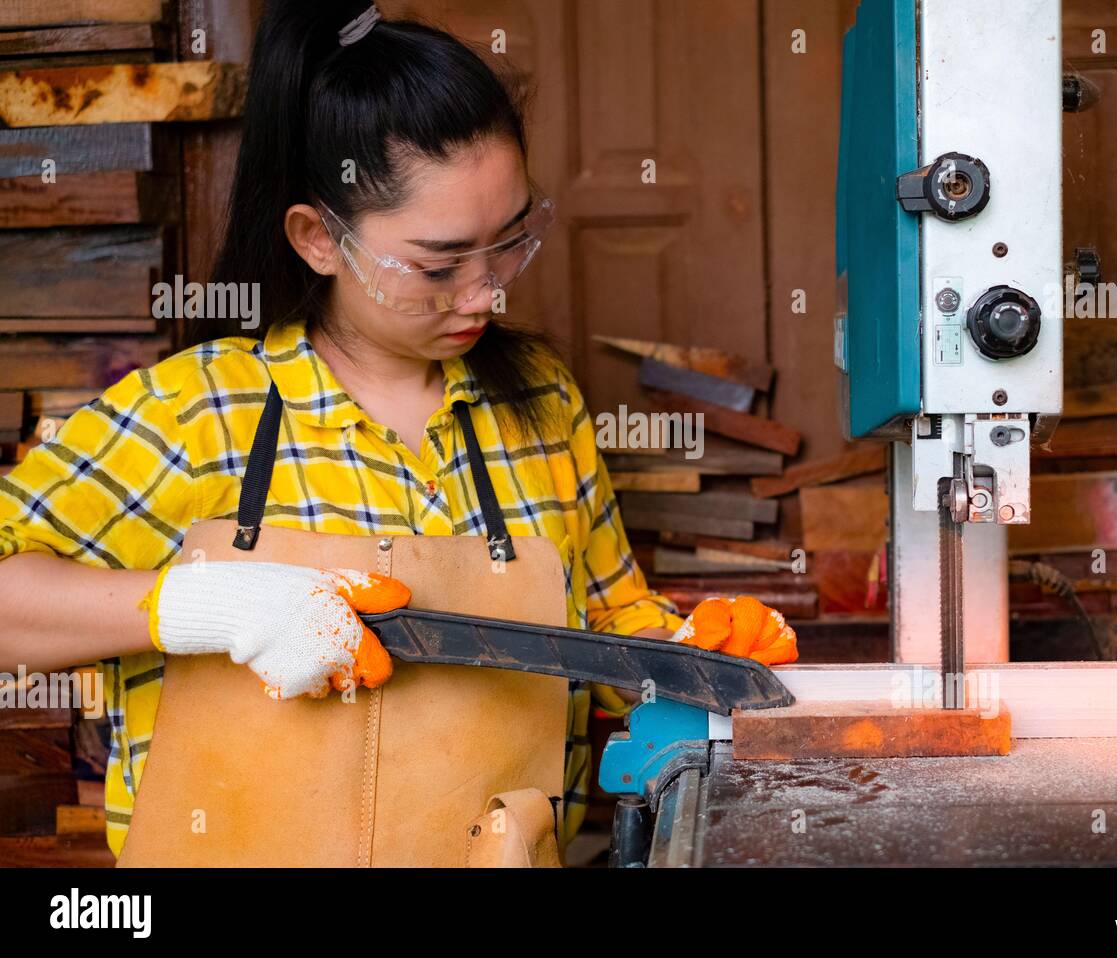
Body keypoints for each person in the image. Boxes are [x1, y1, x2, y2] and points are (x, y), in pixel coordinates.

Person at [0, 0, 793, 860]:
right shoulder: (198, 413)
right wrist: (202, 605)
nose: (488, 293)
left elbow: (606, 623)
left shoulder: (539, 403)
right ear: (317, 239)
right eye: (439, 264)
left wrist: (688, 653)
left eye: (509, 242)